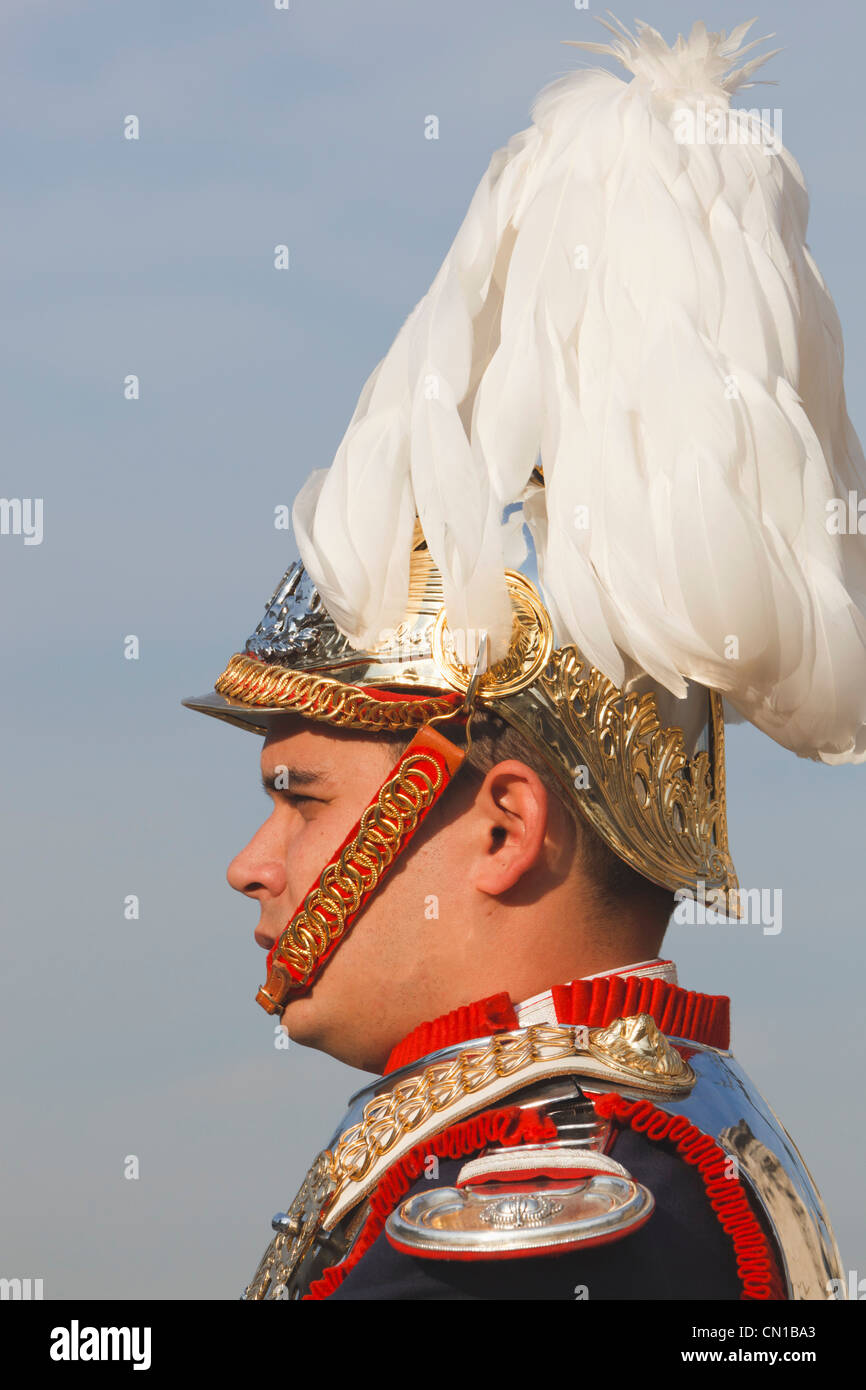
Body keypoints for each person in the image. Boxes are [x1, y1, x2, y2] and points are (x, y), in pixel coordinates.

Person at [183, 17, 865, 1301]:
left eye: (299, 797)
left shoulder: (548, 1211)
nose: (249, 864)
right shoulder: (625, 1136)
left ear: (502, 825)